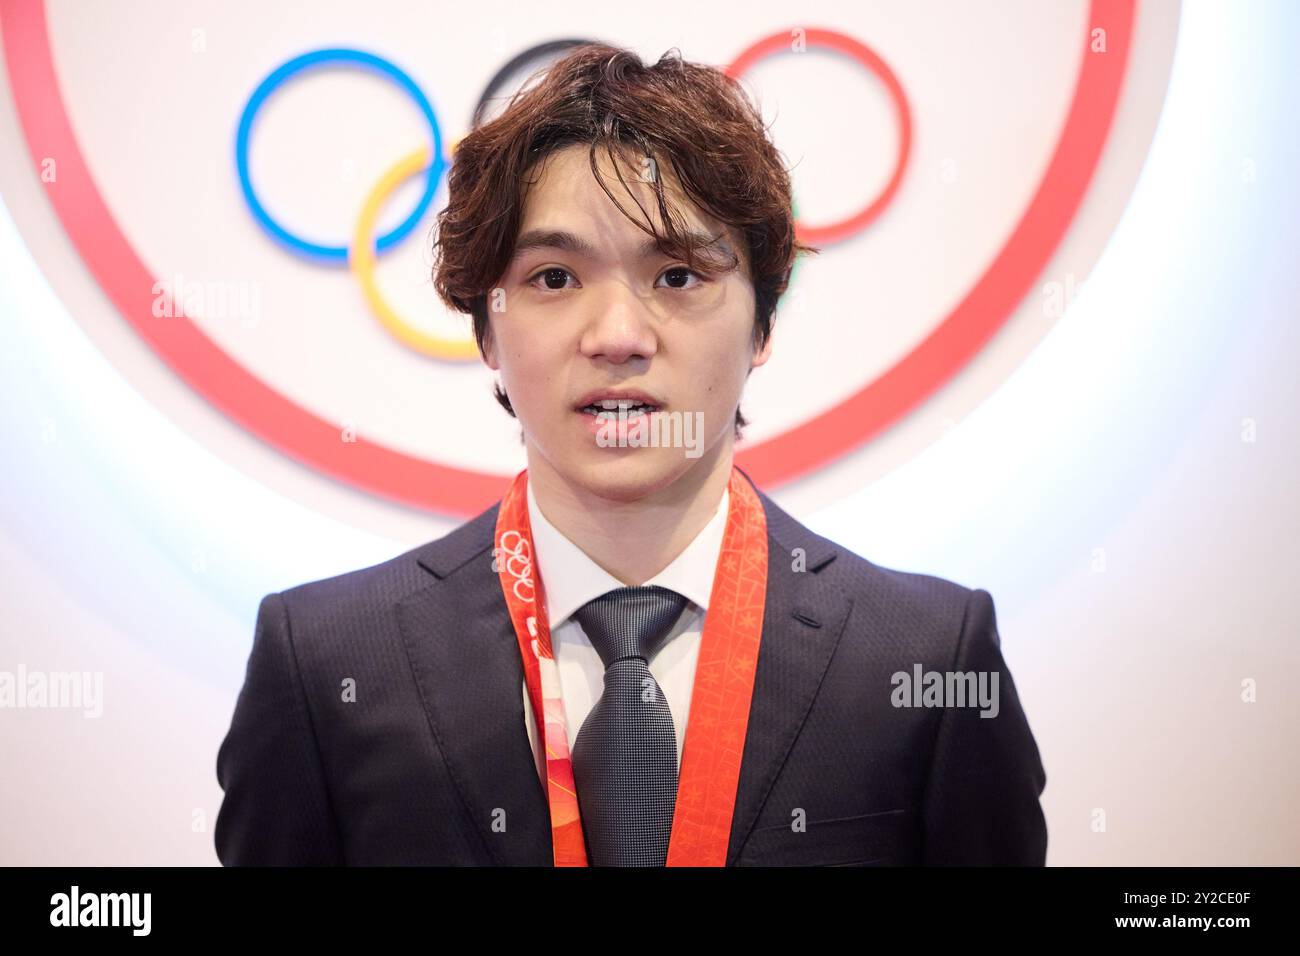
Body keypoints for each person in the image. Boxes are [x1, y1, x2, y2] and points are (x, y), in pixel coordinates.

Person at [215, 42, 1047, 866]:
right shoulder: (326, 666)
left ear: (762, 323)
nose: (617, 337)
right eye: (553, 278)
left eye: (679, 275)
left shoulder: (925, 659)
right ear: (486, 329)